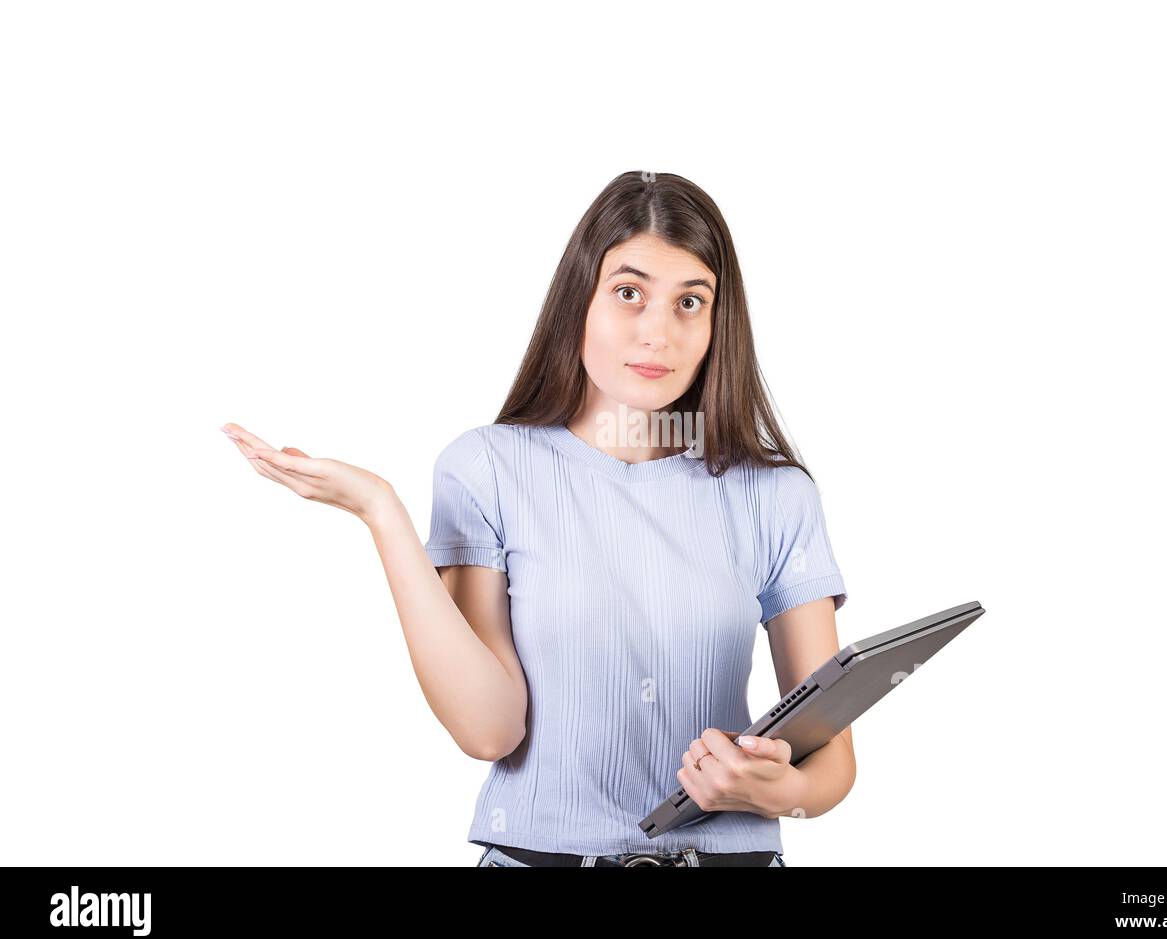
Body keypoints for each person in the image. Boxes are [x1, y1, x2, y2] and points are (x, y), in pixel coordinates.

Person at [221, 171, 855, 867]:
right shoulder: (487, 469)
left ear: (716, 322)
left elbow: (830, 766)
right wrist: (383, 516)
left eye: (690, 302)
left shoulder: (774, 494)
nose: (657, 333)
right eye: (628, 293)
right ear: (578, 299)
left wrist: (771, 788)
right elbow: (490, 731)